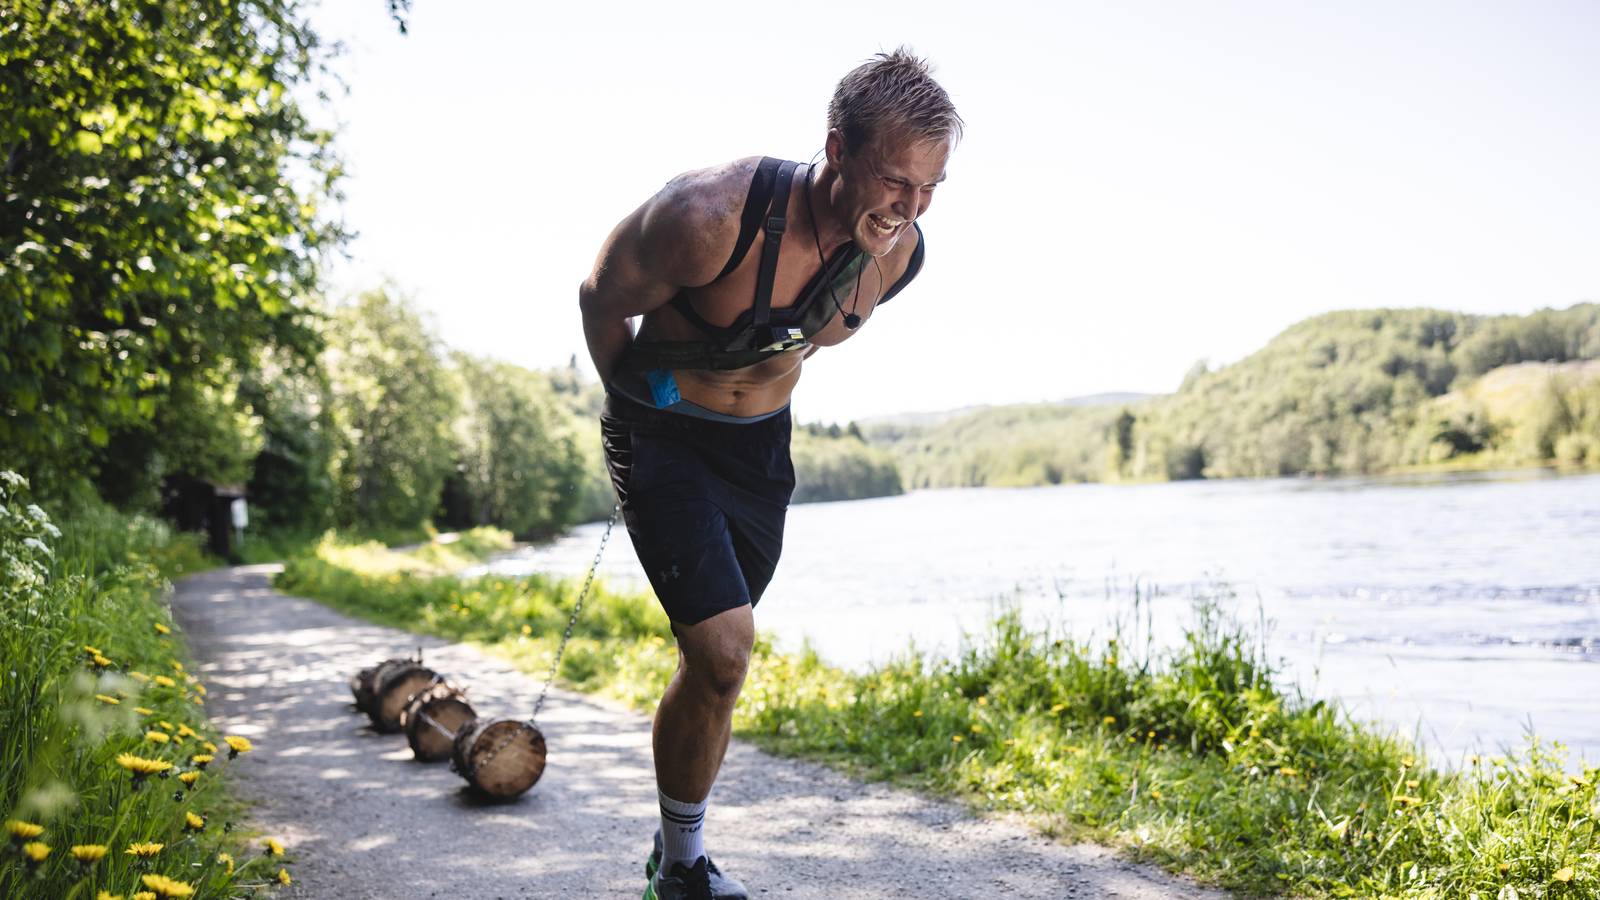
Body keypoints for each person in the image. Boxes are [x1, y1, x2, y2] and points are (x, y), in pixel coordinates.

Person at [579, 48, 961, 900]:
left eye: (930, 187)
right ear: (837, 149)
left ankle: (672, 850)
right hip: (663, 433)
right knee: (725, 651)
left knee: (712, 666)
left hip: (760, 452)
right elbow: (599, 299)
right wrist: (641, 408)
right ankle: (685, 871)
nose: (910, 207)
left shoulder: (898, 254)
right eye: (895, 180)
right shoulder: (709, 216)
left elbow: (798, 335)